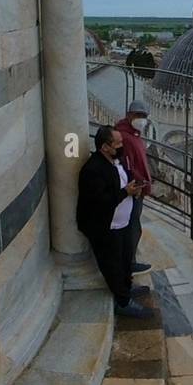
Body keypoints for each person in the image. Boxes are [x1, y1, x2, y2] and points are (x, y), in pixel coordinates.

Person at [79, 125, 146, 317]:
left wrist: (136, 187)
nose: (122, 146)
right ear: (105, 147)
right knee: (113, 265)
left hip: (122, 224)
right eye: (118, 143)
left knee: (125, 260)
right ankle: (123, 303)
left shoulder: (116, 161)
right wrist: (126, 192)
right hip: (106, 228)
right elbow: (100, 201)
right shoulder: (93, 169)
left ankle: (127, 288)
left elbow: (125, 179)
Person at [117, 106, 156, 273]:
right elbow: (127, 166)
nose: (142, 119)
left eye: (144, 115)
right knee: (132, 227)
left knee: (133, 225)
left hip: (138, 188)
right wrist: (138, 186)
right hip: (134, 189)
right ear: (129, 115)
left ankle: (127, 260)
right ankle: (129, 264)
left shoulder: (133, 133)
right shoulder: (125, 137)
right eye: (139, 115)